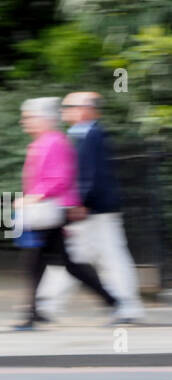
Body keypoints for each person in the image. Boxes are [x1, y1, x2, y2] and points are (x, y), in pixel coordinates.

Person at [36, 91, 145, 324]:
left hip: (97, 210)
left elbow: (90, 176)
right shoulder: (80, 134)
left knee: (107, 257)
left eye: (68, 107)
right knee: (75, 257)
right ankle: (46, 304)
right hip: (90, 209)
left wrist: (79, 203)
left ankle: (128, 307)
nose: (63, 112)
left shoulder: (92, 134)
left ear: (84, 110)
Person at [14, 97, 117, 330]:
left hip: (50, 212)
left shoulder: (55, 142)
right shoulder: (42, 142)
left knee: (35, 263)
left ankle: (31, 315)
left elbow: (60, 179)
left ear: (44, 119)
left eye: (29, 117)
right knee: (67, 265)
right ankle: (111, 301)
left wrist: (34, 197)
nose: (24, 121)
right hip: (46, 212)